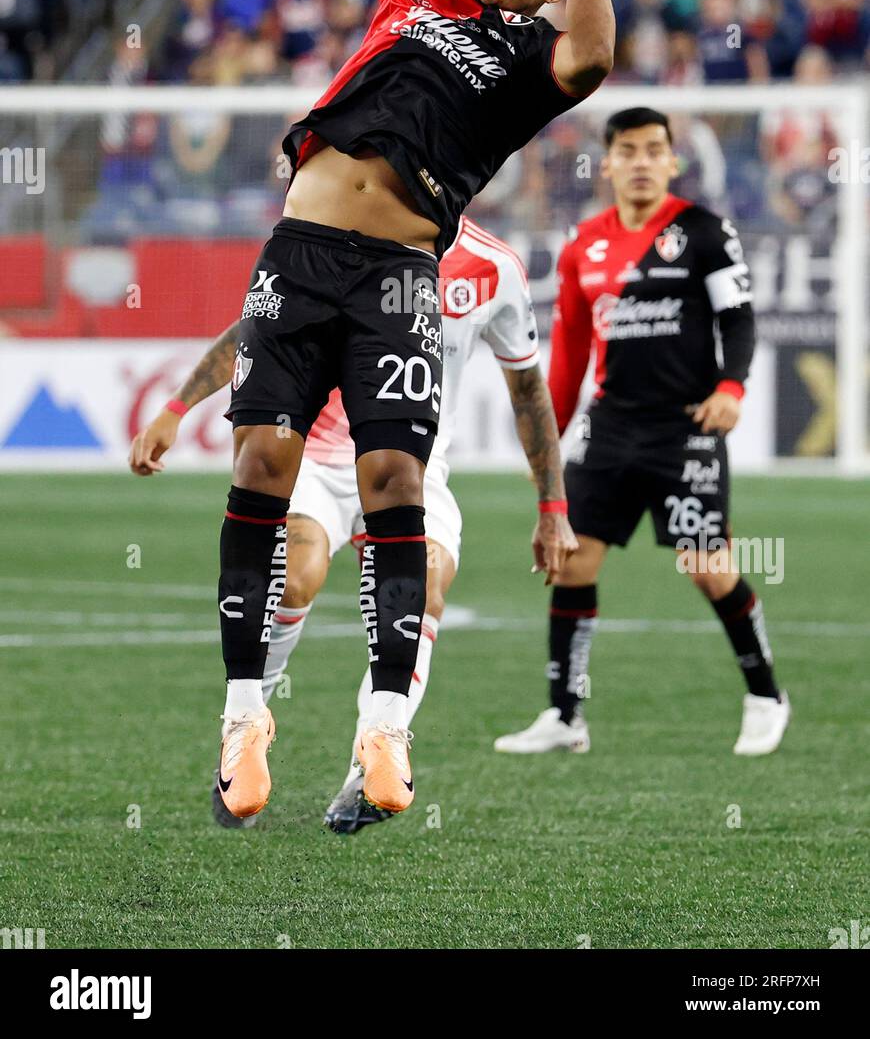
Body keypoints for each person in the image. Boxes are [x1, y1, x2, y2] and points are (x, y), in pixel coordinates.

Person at [197, 0, 614, 821]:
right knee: (260, 460)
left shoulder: (532, 66)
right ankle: (246, 716)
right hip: (301, 249)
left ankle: (384, 732)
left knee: (394, 490)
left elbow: (597, 56)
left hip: (398, 275)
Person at [130, 215, 570, 833]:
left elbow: (527, 391)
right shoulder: (341, 229)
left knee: (429, 584)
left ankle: (371, 764)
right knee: (296, 574)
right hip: (318, 456)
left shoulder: (495, 268)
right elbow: (260, 329)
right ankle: (244, 728)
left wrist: (552, 507)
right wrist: (178, 407)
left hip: (412, 464)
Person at [494, 108, 790, 759]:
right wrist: (549, 440)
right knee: (571, 562)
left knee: (707, 569)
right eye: (627, 151)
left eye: (654, 150)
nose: (641, 162)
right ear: (607, 163)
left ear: (671, 162)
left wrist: (731, 388)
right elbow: (569, 355)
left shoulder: (704, 232)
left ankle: (766, 695)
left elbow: (738, 320)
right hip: (611, 428)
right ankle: (565, 716)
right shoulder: (583, 247)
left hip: (685, 427)